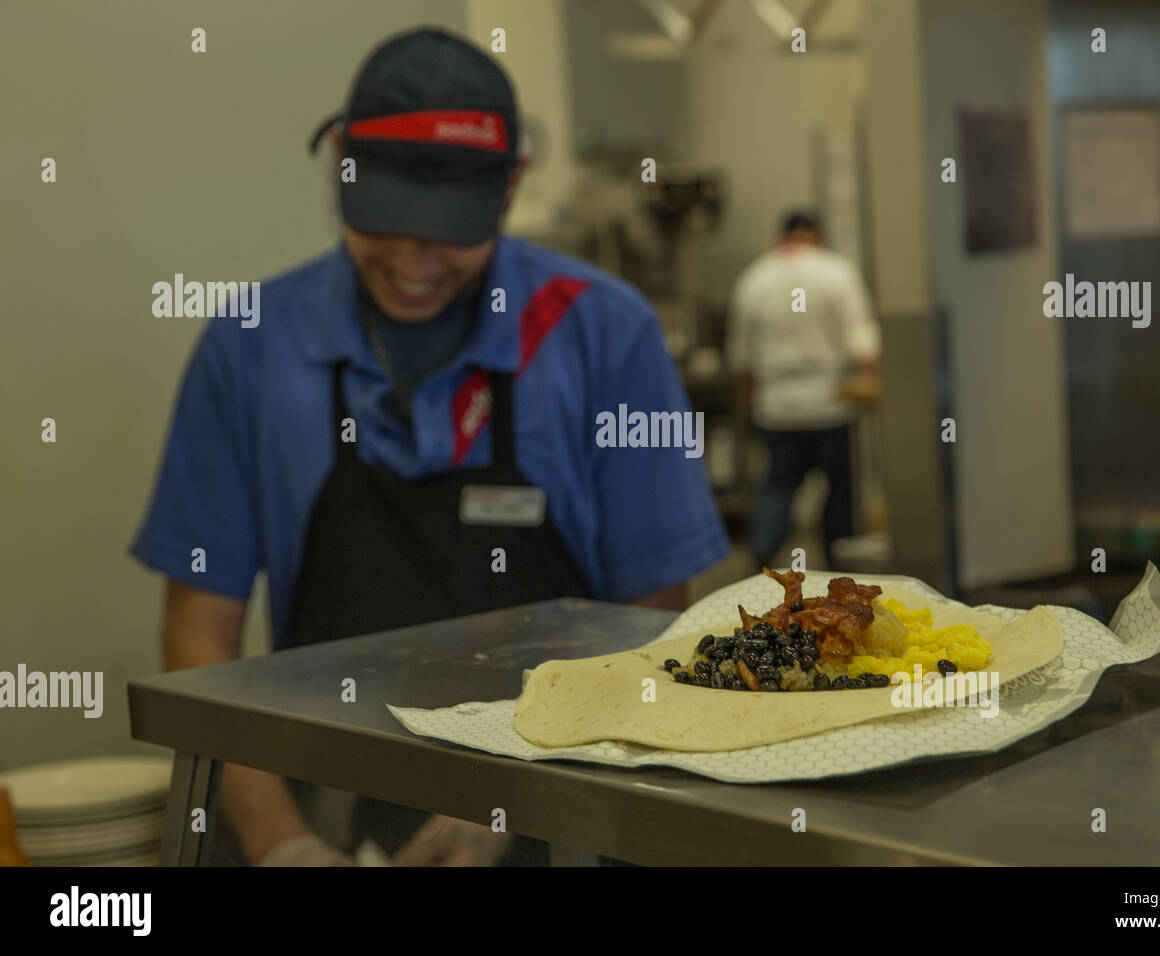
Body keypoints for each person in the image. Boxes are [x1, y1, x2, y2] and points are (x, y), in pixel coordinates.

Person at [130, 27, 728, 866]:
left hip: (564, 816)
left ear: (512, 185)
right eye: (383, 222)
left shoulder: (603, 335)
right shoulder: (250, 345)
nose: (413, 261)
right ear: (339, 163)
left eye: (450, 229)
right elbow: (200, 636)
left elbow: (650, 626)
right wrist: (279, 845)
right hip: (322, 818)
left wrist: (517, 794)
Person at [726, 210, 881, 570]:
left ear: (781, 237)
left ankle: (760, 561)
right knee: (840, 490)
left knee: (778, 485)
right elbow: (863, 346)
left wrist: (747, 406)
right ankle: (839, 566)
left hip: (776, 403)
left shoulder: (754, 277)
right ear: (819, 236)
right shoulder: (837, 271)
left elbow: (740, 359)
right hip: (831, 401)